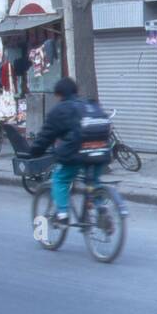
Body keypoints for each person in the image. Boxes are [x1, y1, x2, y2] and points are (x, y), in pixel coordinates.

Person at [29, 76, 108, 225]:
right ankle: (101, 207)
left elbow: (46, 136)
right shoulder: (90, 105)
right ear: (76, 91)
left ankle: (63, 214)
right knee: (93, 181)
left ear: (59, 95)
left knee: (60, 179)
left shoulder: (60, 109)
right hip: (101, 150)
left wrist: (34, 152)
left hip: (78, 153)